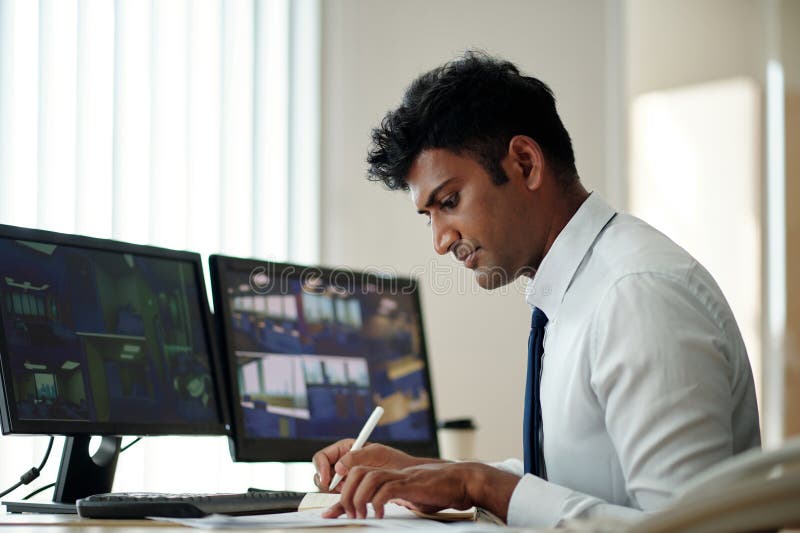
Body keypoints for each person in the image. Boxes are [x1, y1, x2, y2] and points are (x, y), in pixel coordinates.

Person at [311, 51, 761, 528]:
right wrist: (431, 473)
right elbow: (579, 483)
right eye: (430, 215)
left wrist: (478, 485)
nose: (441, 241)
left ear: (525, 163)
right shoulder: (578, 291)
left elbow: (690, 528)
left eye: (449, 202)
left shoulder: (636, 295)